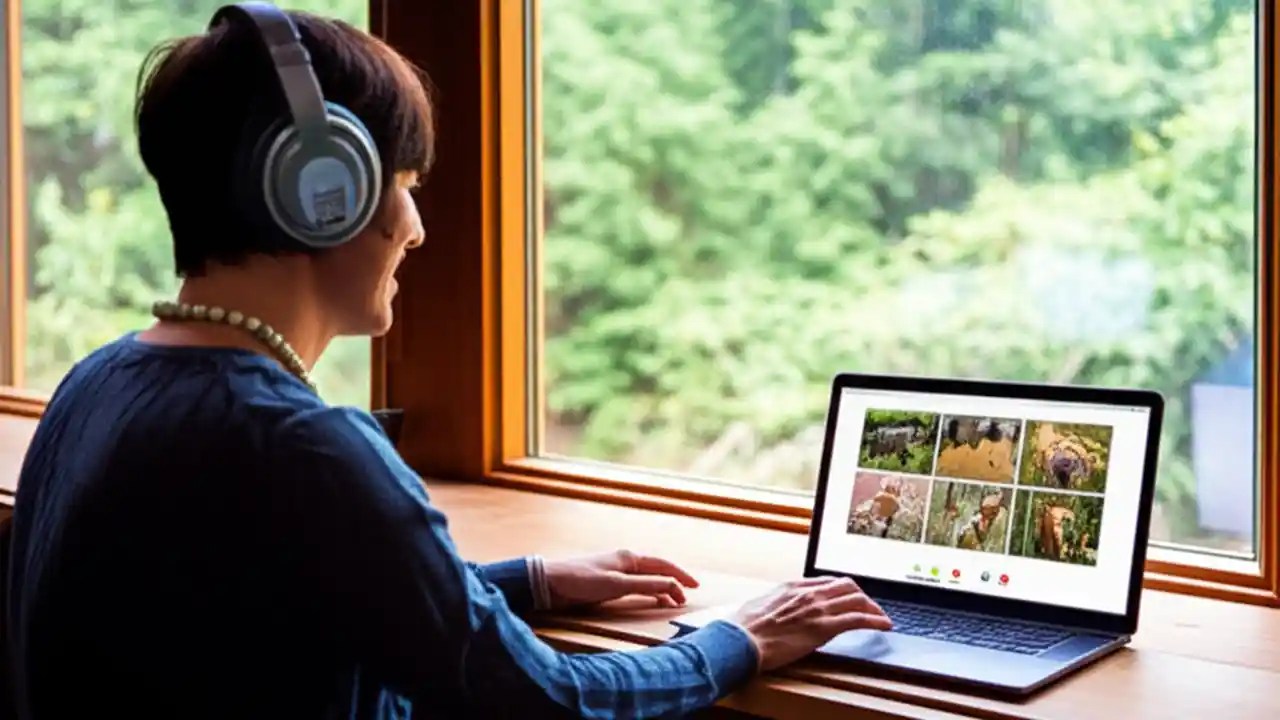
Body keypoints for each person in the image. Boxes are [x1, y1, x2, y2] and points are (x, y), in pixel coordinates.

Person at [2, 5, 893, 718]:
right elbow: (545, 698)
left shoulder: (97, 383)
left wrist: (532, 579)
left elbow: (268, 600)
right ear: (324, 191)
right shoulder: (299, 445)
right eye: (407, 185)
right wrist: (738, 639)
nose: (417, 228)